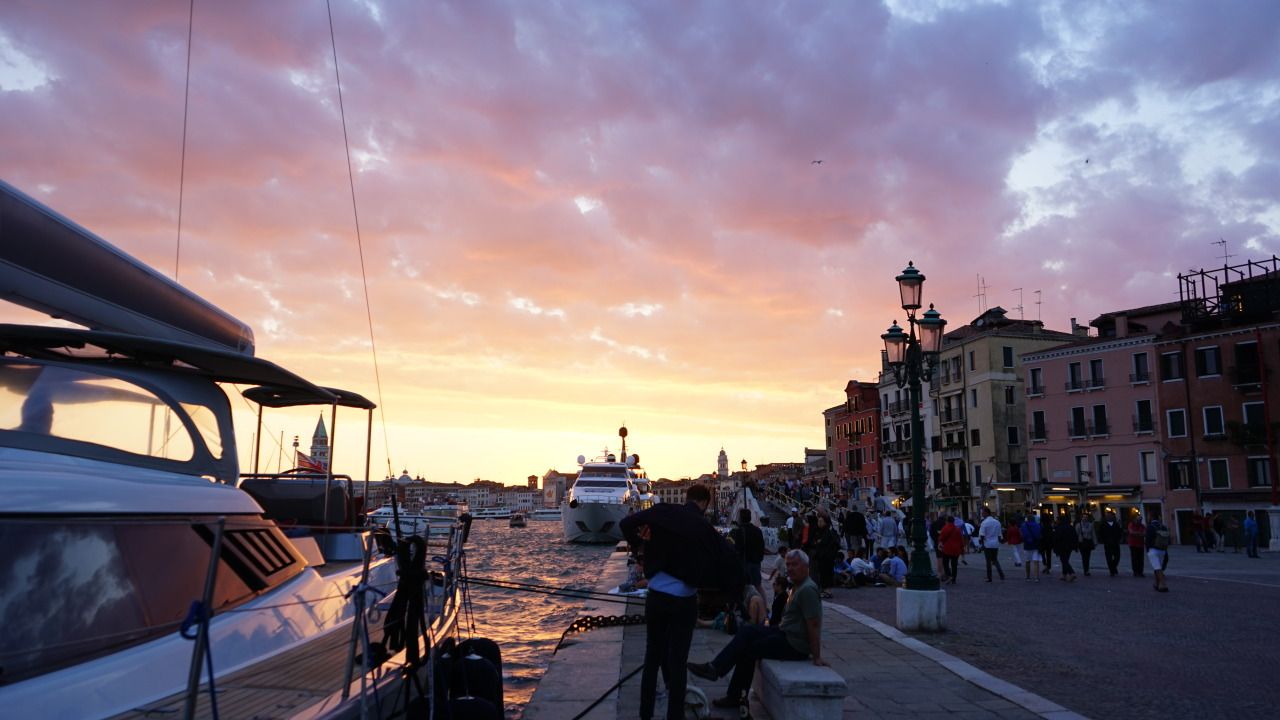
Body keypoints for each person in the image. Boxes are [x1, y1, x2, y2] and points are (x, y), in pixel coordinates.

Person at [620, 484, 724, 720]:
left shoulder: (662, 512)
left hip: (656, 596)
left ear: (686, 497)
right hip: (684, 601)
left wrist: (639, 549)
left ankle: (645, 715)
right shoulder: (702, 526)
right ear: (705, 503)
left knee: (652, 659)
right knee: (677, 663)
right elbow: (720, 560)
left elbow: (626, 524)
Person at [687, 549, 827, 710]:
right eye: (788, 565)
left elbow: (814, 624)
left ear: (805, 566)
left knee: (750, 649)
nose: (789, 569)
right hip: (784, 632)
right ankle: (715, 668)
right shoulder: (798, 586)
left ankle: (734, 695)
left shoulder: (807, 589)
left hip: (795, 644)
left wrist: (816, 656)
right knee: (747, 631)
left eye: (794, 565)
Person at [729, 508, 766, 592]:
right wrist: (759, 559)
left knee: (742, 588)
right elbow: (762, 546)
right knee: (758, 586)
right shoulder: (757, 530)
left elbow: (730, 547)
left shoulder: (735, 531)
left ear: (740, 518)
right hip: (756, 563)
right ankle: (763, 604)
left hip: (742, 563)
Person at [811, 514, 841, 598]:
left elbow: (829, 543)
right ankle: (825, 590)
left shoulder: (829, 531)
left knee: (827, 574)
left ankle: (828, 590)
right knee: (823, 573)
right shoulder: (820, 531)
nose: (819, 523)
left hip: (827, 557)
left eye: (821, 521)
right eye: (818, 521)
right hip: (822, 557)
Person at [978, 507, 1005, 582]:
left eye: (983, 513)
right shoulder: (997, 522)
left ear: (986, 513)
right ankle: (1001, 574)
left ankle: (989, 577)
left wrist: (981, 545)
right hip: (995, 544)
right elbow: (1000, 535)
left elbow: (982, 535)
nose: (982, 514)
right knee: (995, 560)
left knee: (988, 561)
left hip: (987, 544)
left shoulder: (984, 523)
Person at [1146, 515, 1170, 592]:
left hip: (1153, 549)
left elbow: (1148, 540)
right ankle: (1156, 583)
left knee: (1157, 567)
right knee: (1159, 566)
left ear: (1151, 518)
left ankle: (1162, 584)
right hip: (1162, 549)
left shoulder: (1150, 527)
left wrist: (1147, 550)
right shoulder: (1163, 527)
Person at [1097, 510, 1124, 576]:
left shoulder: (1116, 524)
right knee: (1109, 557)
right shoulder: (1103, 524)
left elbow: (1120, 532)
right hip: (1107, 543)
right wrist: (1103, 540)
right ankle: (1112, 570)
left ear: (1112, 516)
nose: (1109, 517)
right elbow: (1100, 533)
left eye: (1110, 516)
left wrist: (1120, 538)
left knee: (1117, 557)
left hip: (1115, 542)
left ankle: (1113, 567)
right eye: (1107, 516)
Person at [938, 514, 963, 584]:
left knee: (945, 563)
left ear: (947, 521)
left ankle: (949, 575)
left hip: (947, 549)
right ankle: (954, 578)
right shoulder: (957, 529)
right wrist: (962, 548)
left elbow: (941, 538)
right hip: (956, 549)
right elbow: (961, 540)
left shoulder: (945, 528)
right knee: (954, 564)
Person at [1054, 517, 1078, 582]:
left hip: (1062, 546)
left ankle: (1071, 573)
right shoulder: (1070, 527)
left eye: (1057, 520)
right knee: (1065, 559)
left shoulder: (1059, 528)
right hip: (1070, 546)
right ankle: (1064, 575)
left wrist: (1055, 548)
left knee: (1064, 560)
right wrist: (1075, 546)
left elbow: (1057, 538)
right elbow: (1075, 536)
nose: (1056, 521)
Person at [1020, 513, 1042, 582]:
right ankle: (1036, 577)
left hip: (1027, 545)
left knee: (1027, 561)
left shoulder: (1023, 525)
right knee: (1036, 561)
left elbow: (1022, 535)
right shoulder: (1037, 525)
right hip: (1036, 545)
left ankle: (1028, 577)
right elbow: (1039, 535)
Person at [1126, 512, 1147, 577]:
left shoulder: (1142, 526)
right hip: (1133, 544)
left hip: (1140, 544)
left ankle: (1140, 572)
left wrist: (1137, 533)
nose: (1139, 521)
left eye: (1140, 520)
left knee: (1141, 559)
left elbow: (1145, 533)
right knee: (1134, 558)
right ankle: (1135, 571)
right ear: (1135, 519)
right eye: (1138, 520)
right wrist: (1140, 534)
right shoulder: (1131, 525)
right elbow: (1131, 532)